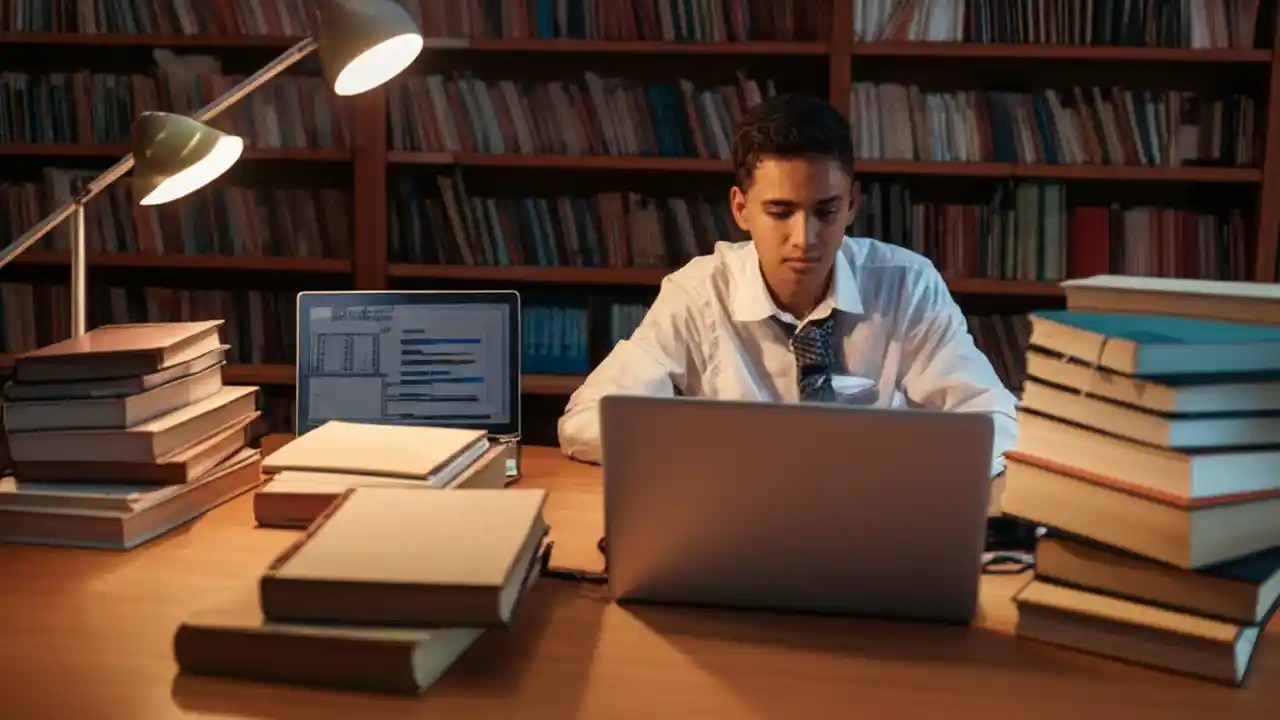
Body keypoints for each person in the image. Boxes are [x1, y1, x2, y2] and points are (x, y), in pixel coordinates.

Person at [556, 93, 1018, 478]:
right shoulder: (698, 292)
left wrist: (896, 465)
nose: (805, 238)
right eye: (780, 212)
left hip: (872, 519)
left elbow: (999, 422)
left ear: (852, 204)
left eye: (826, 211)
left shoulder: (907, 285)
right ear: (741, 209)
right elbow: (585, 421)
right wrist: (723, 449)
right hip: (738, 525)